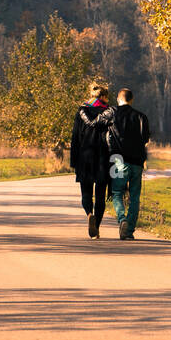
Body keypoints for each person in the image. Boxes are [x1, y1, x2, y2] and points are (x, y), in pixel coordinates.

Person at [69, 81, 114, 239]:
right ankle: (97, 227)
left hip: (85, 156)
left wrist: (73, 161)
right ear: (103, 96)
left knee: (86, 192)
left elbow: (75, 137)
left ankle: (89, 215)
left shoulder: (82, 110)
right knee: (100, 195)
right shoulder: (109, 112)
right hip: (103, 157)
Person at [106, 87, 150, 241]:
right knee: (135, 196)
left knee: (117, 192)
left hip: (118, 160)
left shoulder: (113, 114)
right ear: (131, 99)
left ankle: (121, 219)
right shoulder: (141, 117)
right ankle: (129, 230)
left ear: (119, 99)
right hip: (137, 161)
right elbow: (145, 139)